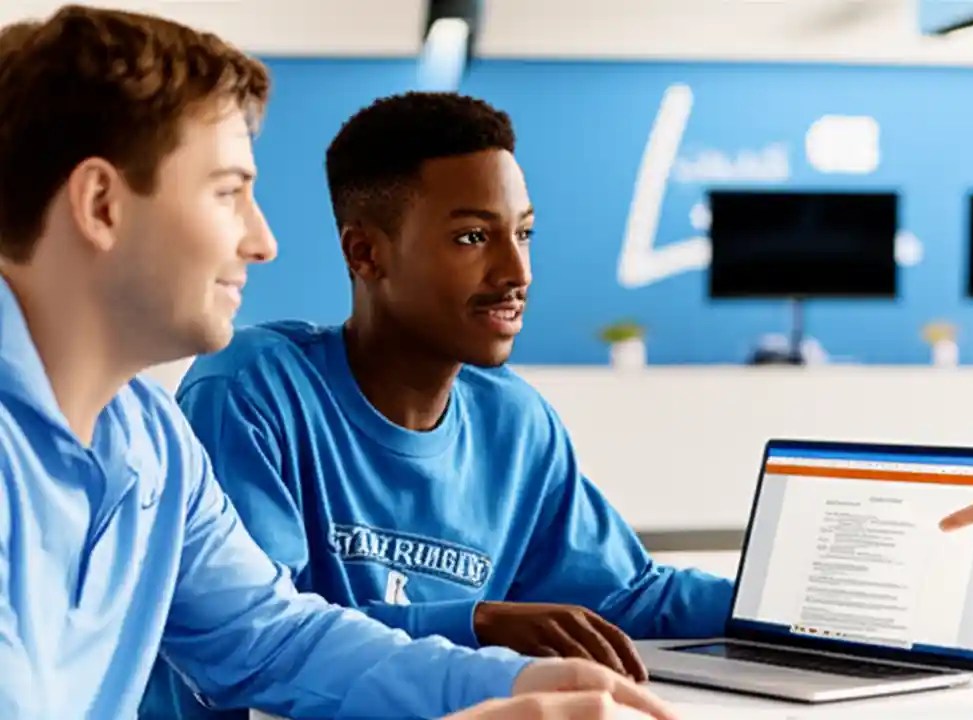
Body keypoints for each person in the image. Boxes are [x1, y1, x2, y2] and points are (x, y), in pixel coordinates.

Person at [0, 6, 675, 720]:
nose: (262, 241)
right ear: (102, 204)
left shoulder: (152, 440)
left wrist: (514, 686)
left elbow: (275, 639)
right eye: (228, 192)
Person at [143, 89, 734, 718]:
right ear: (365, 253)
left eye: (523, 234)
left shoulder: (516, 423)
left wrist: (783, 608)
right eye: (472, 237)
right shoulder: (251, 389)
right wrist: (476, 623)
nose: (516, 272)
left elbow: (628, 596)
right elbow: (269, 638)